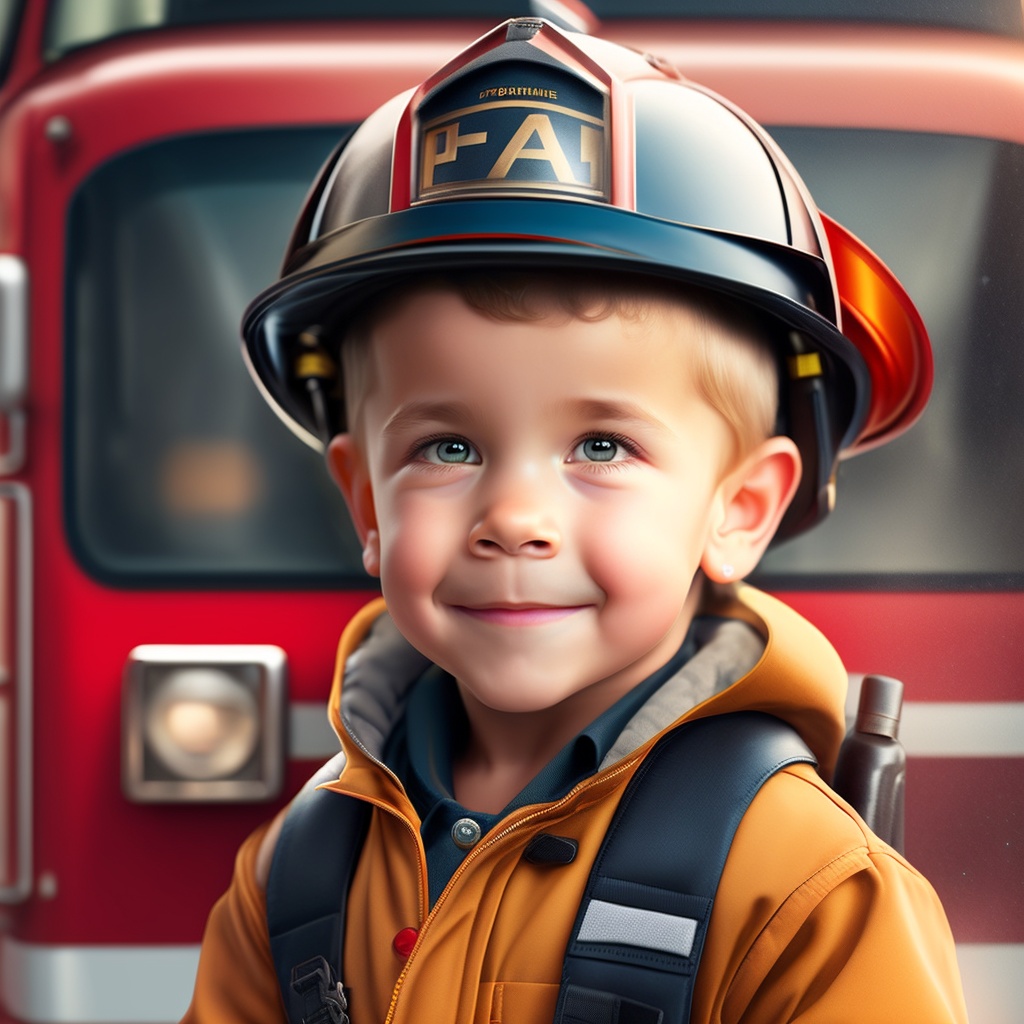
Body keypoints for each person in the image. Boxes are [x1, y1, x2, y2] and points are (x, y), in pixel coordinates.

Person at [183, 18, 967, 1023]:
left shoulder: (811, 891)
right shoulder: (295, 875)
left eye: (600, 447)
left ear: (739, 509)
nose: (513, 517)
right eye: (448, 448)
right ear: (365, 504)